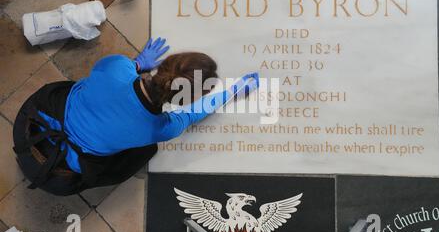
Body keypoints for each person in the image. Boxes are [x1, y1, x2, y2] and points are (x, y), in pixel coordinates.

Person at [13, 37, 259, 196]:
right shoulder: (161, 128)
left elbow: (118, 72)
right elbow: (193, 114)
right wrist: (232, 91)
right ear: (189, 97)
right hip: (60, 173)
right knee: (147, 150)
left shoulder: (115, 66)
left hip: (30, 127)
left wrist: (138, 63)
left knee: (80, 88)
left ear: (164, 64)